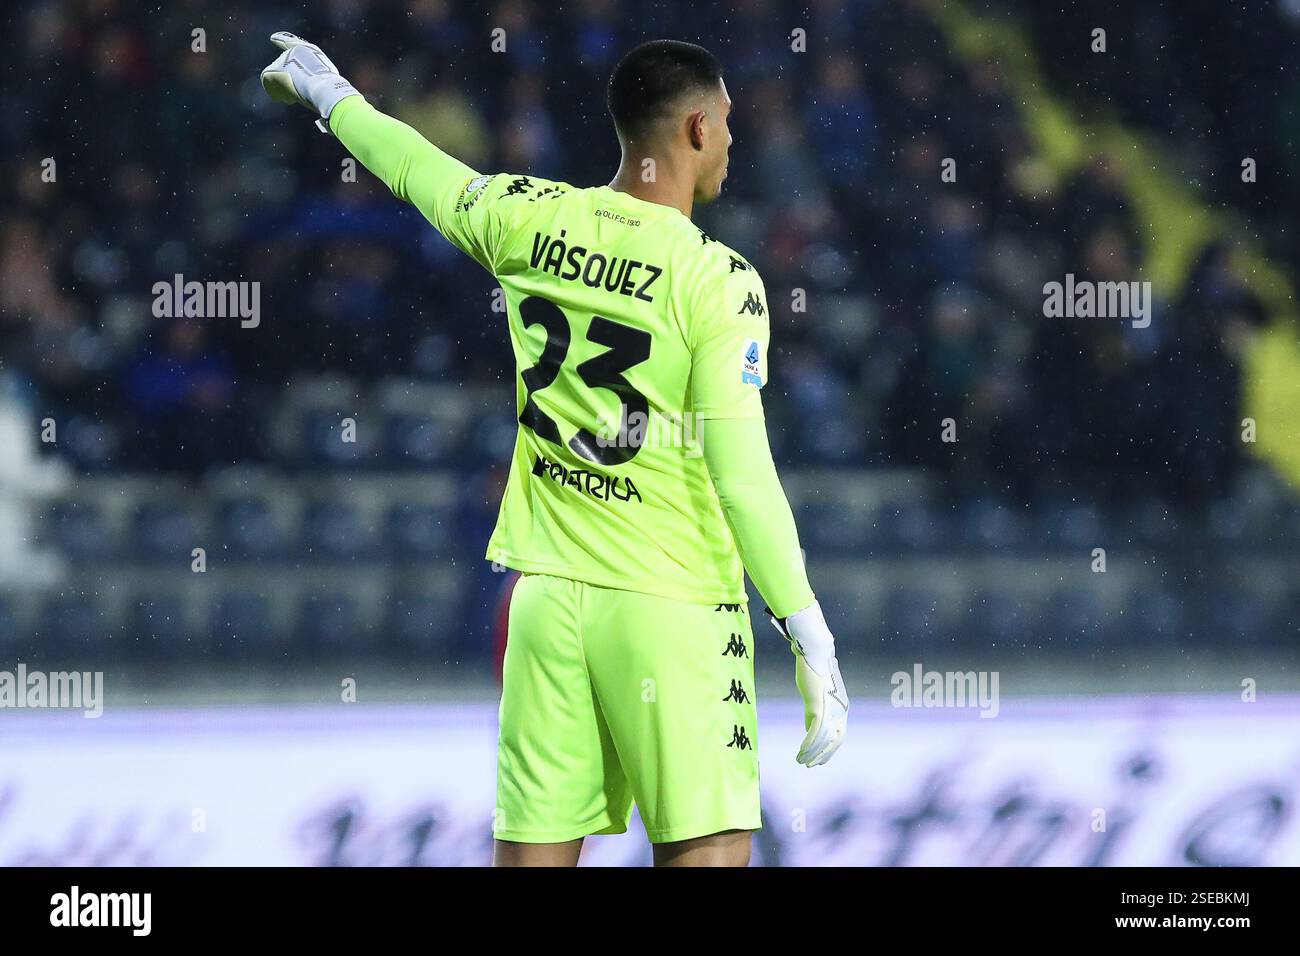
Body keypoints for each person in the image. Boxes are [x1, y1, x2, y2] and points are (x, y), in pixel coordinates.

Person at [261, 34, 848, 867]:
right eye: (724, 123)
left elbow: (421, 173)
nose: (731, 140)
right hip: (671, 605)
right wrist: (807, 628)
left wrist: (334, 99)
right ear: (692, 130)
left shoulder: (532, 219)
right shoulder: (718, 279)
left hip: (544, 607)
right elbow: (742, 473)